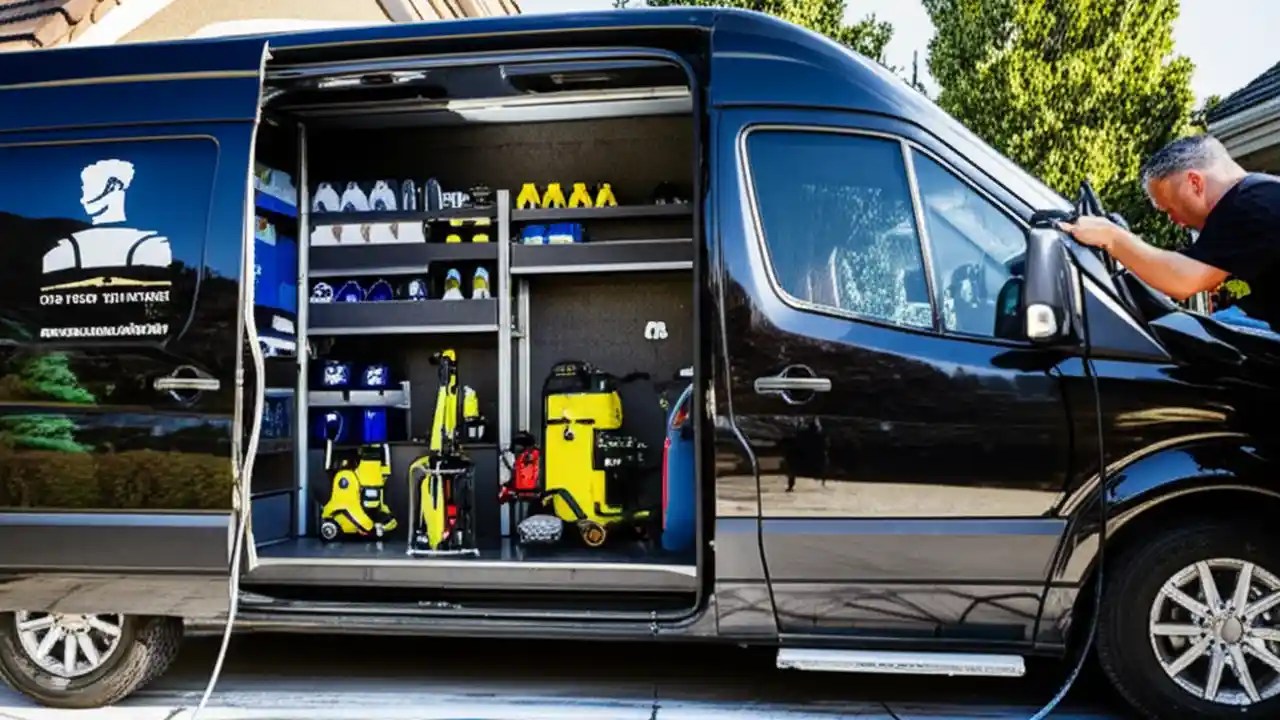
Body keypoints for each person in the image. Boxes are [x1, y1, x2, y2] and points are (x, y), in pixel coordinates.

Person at [1056, 134, 1280, 328]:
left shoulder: (1245, 203)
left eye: (1170, 209)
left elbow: (1183, 281)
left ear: (1194, 183)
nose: (1176, 221)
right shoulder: (1261, 195)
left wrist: (1111, 238)